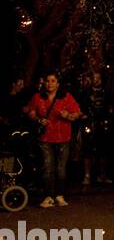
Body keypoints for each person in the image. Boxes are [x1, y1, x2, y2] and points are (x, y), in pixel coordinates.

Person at [24, 72, 82, 207]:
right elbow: (30, 111)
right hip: (45, 137)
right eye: (47, 81)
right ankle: (48, 196)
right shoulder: (38, 97)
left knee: (61, 168)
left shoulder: (66, 97)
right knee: (47, 166)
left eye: (52, 81)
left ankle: (59, 195)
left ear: (58, 83)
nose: (49, 83)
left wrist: (68, 115)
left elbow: (77, 113)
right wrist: (39, 119)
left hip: (63, 136)